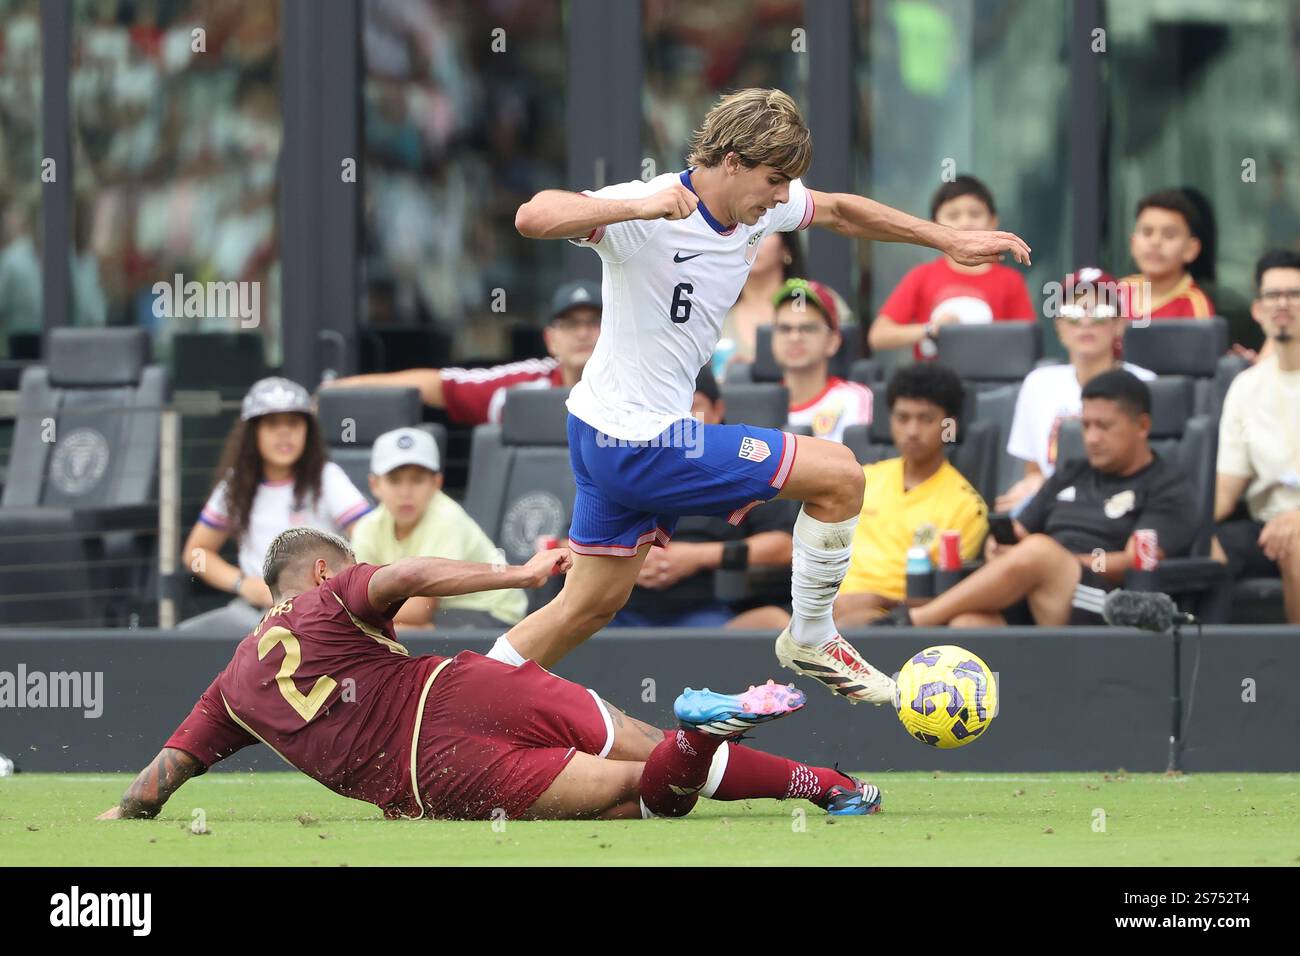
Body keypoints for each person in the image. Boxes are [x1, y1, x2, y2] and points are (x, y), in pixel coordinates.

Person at [505, 87, 1030, 704]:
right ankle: (810, 634)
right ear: (731, 161)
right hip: (636, 442)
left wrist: (945, 239)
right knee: (840, 475)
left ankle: (455, 699)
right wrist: (641, 207)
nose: (784, 197)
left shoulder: (761, 208)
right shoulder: (646, 209)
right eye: (775, 179)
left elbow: (841, 212)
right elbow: (531, 216)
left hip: (603, 432)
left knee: (586, 607)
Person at [98, 528, 882, 822]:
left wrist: (116, 822)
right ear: (325, 567)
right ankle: (823, 782)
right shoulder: (335, 594)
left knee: (626, 798)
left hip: (430, 775)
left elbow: (155, 783)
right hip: (466, 682)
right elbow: (403, 572)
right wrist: (520, 570)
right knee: (637, 747)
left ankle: (702, 727)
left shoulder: (230, 687)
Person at [874, 370, 1198, 627]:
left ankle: (916, 620)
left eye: (1104, 426)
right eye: (1085, 426)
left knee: (1041, 552)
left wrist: (1054, 561)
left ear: (1142, 425)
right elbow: (1022, 532)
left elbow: (1132, 561)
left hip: (1106, 602)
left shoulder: (1168, 485)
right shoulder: (1072, 472)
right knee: (968, 624)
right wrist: (1002, 548)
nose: (1092, 438)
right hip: (1036, 593)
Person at [180, 378, 372, 635]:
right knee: (184, 638)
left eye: (293, 423)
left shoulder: (327, 477)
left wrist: (335, 587)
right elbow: (196, 554)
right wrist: (242, 583)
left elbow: (371, 536)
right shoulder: (236, 483)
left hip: (320, 613)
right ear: (253, 433)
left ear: (308, 431)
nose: (284, 433)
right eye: (272, 424)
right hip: (252, 613)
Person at [615, 369, 799, 629]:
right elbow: (573, 539)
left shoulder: (749, 469)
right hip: (620, 607)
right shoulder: (626, 465)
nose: (678, 419)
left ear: (717, 410)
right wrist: (629, 562)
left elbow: (783, 546)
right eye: (666, 408)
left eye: (691, 407)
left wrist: (696, 557)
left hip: (709, 611)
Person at [322, 280, 601, 426]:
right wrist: (335, 391)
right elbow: (439, 384)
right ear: (550, 339)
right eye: (570, 324)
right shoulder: (523, 384)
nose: (582, 333)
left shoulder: (642, 385)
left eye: (594, 323)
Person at [834, 364, 989, 626]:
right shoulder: (861, 478)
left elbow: (944, 598)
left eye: (926, 419)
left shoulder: (966, 506)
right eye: (902, 418)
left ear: (949, 425)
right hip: (826, 606)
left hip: (893, 620)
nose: (912, 431)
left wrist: (881, 601)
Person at [996, 268, 1156, 512]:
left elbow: (1150, 462)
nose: (1086, 321)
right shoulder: (1038, 384)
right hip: (1054, 498)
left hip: (1124, 497)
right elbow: (1034, 470)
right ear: (1059, 326)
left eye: (1100, 312)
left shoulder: (1143, 382)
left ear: (1119, 325)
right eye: (1073, 312)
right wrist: (1035, 484)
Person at [350, 427, 527, 630]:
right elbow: (361, 597)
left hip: (493, 612)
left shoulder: (447, 518)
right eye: (394, 480)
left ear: (436, 483)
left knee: (388, 633)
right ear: (375, 485)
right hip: (442, 612)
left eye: (417, 480)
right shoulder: (367, 527)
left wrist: (364, 616)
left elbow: (420, 610)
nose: (405, 492)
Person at [1213, 249, 1300, 623]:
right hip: (1265, 526)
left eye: (1295, 294)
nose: (1283, 304)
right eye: (1272, 295)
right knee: (1203, 547)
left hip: (1293, 529)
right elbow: (1225, 491)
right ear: (1257, 310)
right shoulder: (1246, 387)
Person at [866, 174, 1034, 361]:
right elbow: (879, 336)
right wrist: (930, 329)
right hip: (932, 383)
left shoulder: (1010, 280)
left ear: (993, 221)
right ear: (934, 226)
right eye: (953, 215)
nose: (965, 223)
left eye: (975, 214)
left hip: (993, 382)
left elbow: (1025, 341)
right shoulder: (921, 276)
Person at [772, 277, 873, 444]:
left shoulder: (855, 400)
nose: (794, 337)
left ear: (833, 341)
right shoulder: (755, 405)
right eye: (784, 329)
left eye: (808, 328)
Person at [1120, 189, 1215, 323]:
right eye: (1147, 232)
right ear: (1133, 244)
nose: (1155, 242)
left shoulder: (1196, 307)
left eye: (1169, 235)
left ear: (1191, 250)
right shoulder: (1116, 292)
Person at [715, 231, 805, 370]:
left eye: (765, 232)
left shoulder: (814, 303)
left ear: (787, 247)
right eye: (745, 231)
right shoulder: (713, 310)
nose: (753, 240)